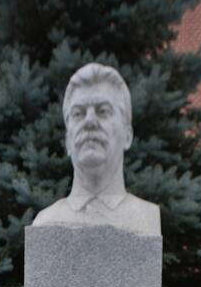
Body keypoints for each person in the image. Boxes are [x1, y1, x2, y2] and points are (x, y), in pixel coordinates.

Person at [33, 62, 161, 237]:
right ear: (68, 141)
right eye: (78, 113)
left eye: (103, 111)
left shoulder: (147, 219)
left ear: (127, 136)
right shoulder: (44, 223)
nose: (89, 121)